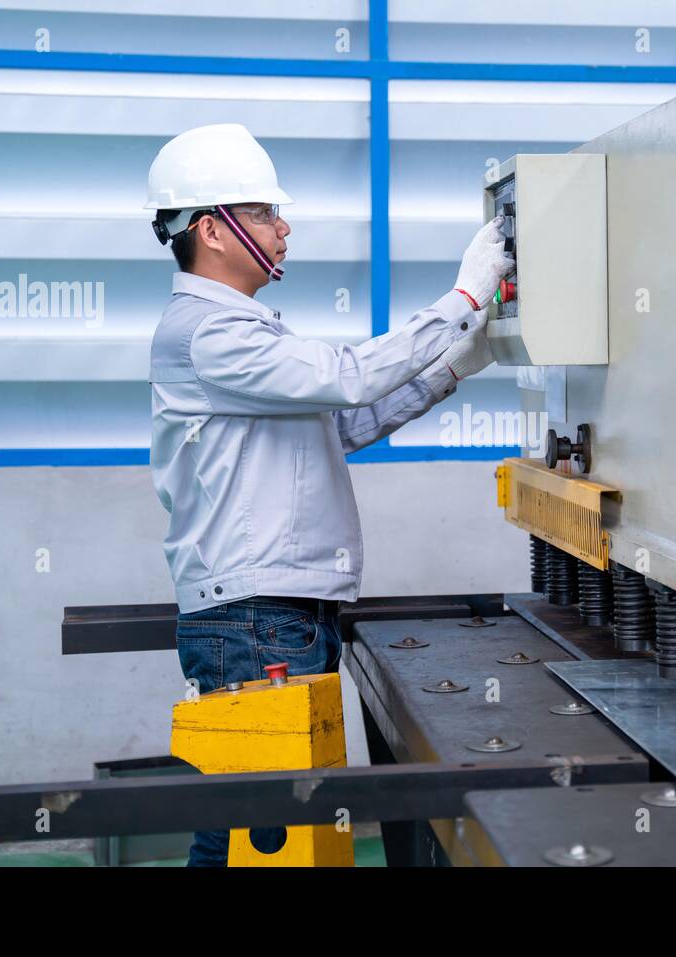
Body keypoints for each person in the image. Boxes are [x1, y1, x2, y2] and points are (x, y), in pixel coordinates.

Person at [144, 123, 513, 866]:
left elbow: (346, 420)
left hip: (276, 614)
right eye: (265, 214)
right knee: (253, 832)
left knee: (262, 832)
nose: (284, 228)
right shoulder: (206, 334)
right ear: (212, 230)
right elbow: (346, 375)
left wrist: (451, 370)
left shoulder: (244, 332)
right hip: (253, 621)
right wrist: (465, 296)